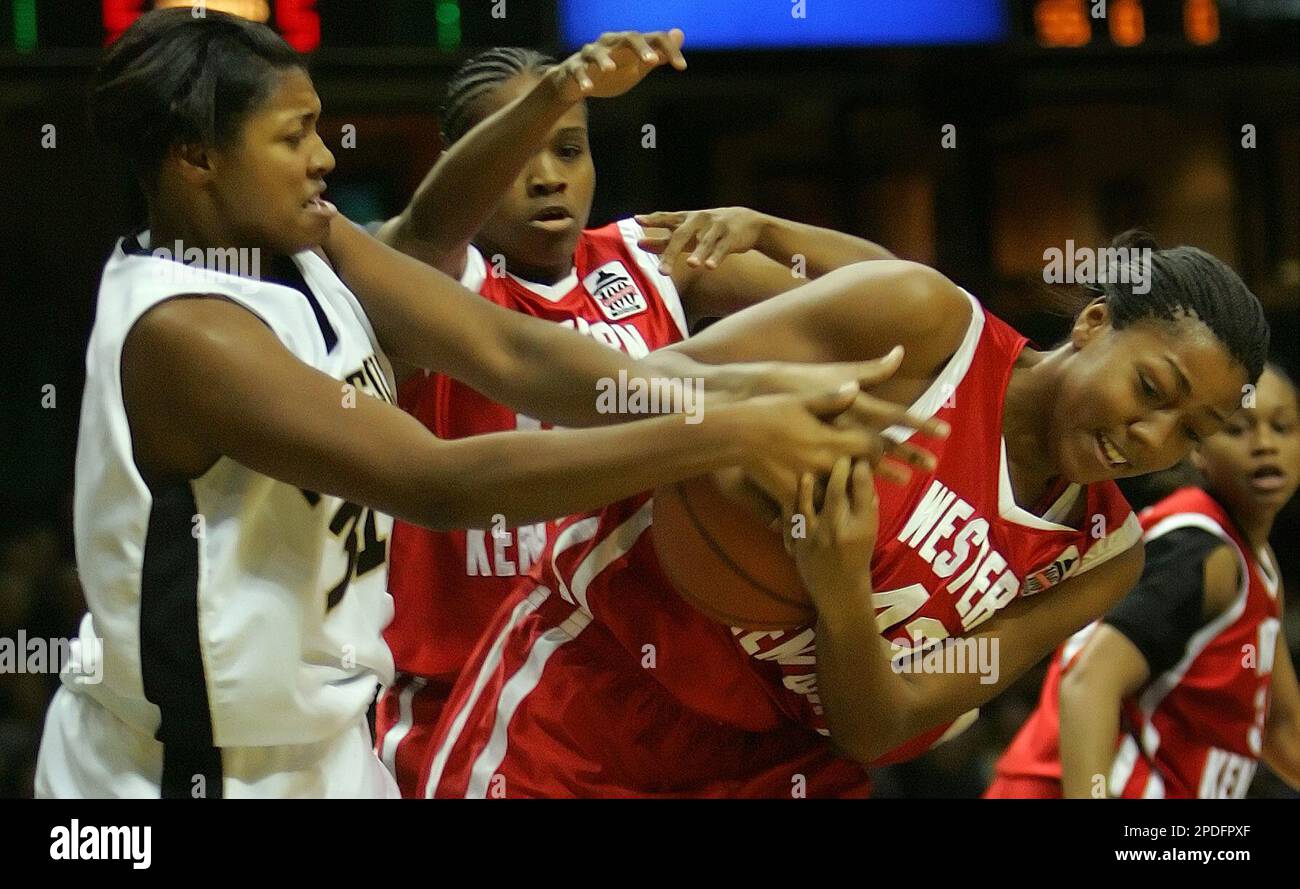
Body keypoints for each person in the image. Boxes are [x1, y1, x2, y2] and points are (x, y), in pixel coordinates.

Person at [33, 9, 934, 799]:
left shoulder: (314, 243)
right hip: (181, 769)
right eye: (293, 134)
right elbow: (437, 480)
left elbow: (515, 351)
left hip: (328, 742)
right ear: (197, 156)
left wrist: (752, 388)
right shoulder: (187, 335)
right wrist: (725, 428)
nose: (325, 154)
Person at [419, 232, 1270, 798]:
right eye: (1151, 389)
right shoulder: (926, 325)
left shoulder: (1102, 556)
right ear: (1093, 324)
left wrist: (838, 587)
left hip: (787, 766)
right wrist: (745, 456)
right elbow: (635, 393)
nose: (1150, 435)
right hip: (606, 682)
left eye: (1191, 430)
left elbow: (881, 724)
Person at [371, 33, 898, 795]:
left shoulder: (648, 257)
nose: (548, 177)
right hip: (472, 698)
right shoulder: (428, 288)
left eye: (571, 148)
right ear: (468, 160)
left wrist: (774, 230)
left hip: (651, 692)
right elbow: (426, 229)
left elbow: (903, 305)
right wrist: (557, 89)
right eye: (519, 153)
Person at [987, 364, 1300, 798]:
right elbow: (1089, 682)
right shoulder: (1199, 550)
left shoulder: (1255, 561)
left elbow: (1282, 731)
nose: (1265, 445)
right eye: (1239, 430)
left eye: (1282, 427)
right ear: (1198, 449)